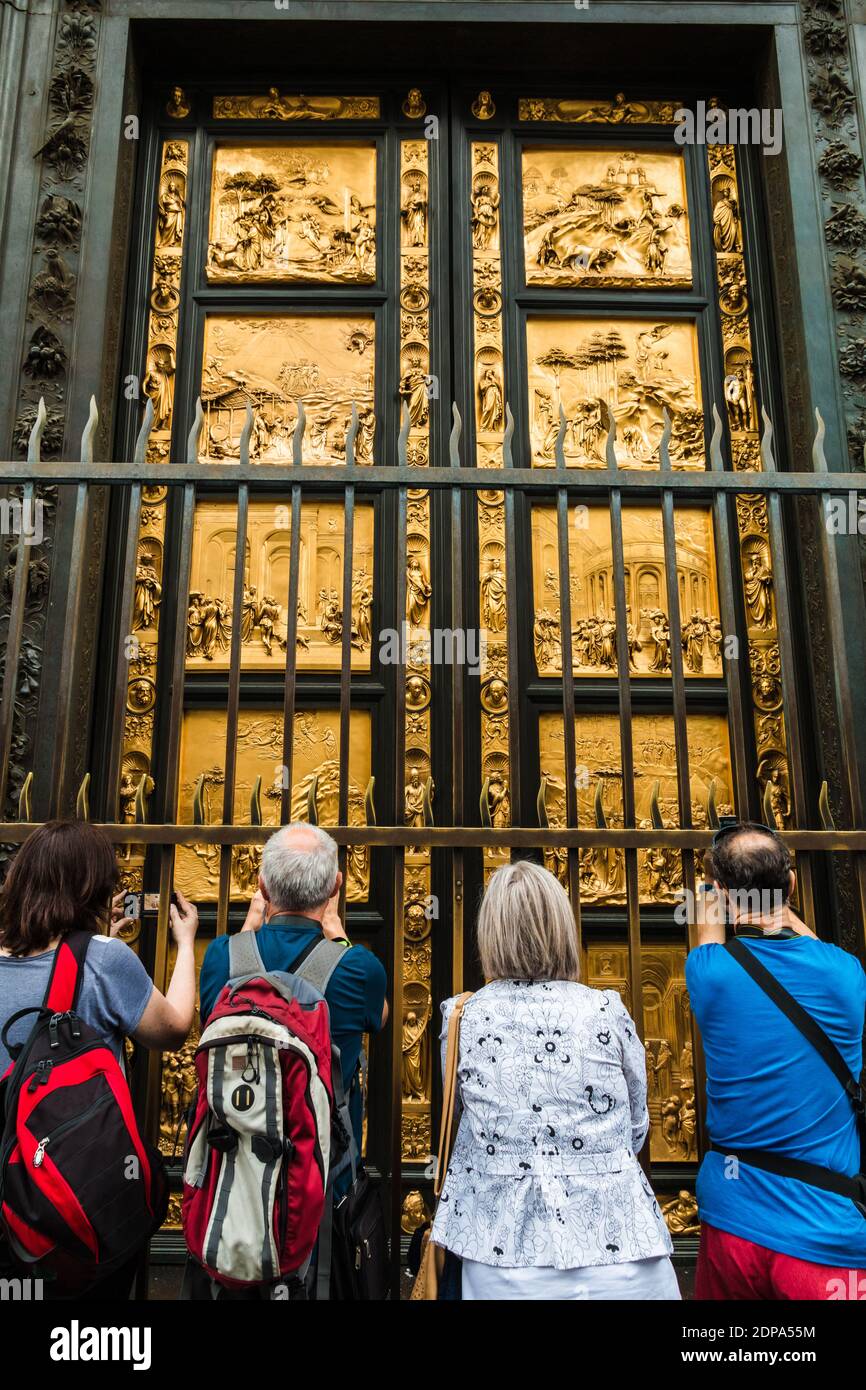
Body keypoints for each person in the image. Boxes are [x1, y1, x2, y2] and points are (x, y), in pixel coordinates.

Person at [431, 860, 678, 1300]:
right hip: (622, 1248)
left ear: (490, 933)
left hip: (502, 1252)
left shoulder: (462, 1017)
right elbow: (638, 1126)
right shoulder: (605, 1009)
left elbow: (461, 1119)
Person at [0, 820, 200, 1297]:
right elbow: (172, 1028)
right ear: (92, 888)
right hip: (74, 1186)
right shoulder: (104, 958)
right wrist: (187, 944)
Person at [686, 822, 866, 1299]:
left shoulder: (709, 974)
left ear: (723, 896)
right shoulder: (847, 975)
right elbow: (811, 943)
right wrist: (778, 897)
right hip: (824, 1228)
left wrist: (711, 894)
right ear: (791, 885)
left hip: (734, 1218)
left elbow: (707, 930)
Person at [199, 823, 388, 1167]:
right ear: (335, 886)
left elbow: (217, 1013)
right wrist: (337, 933)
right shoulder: (358, 969)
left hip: (235, 1165)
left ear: (262, 886)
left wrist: (247, 930)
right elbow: (381, 1015)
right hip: (321, 1171)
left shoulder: (220, 956)